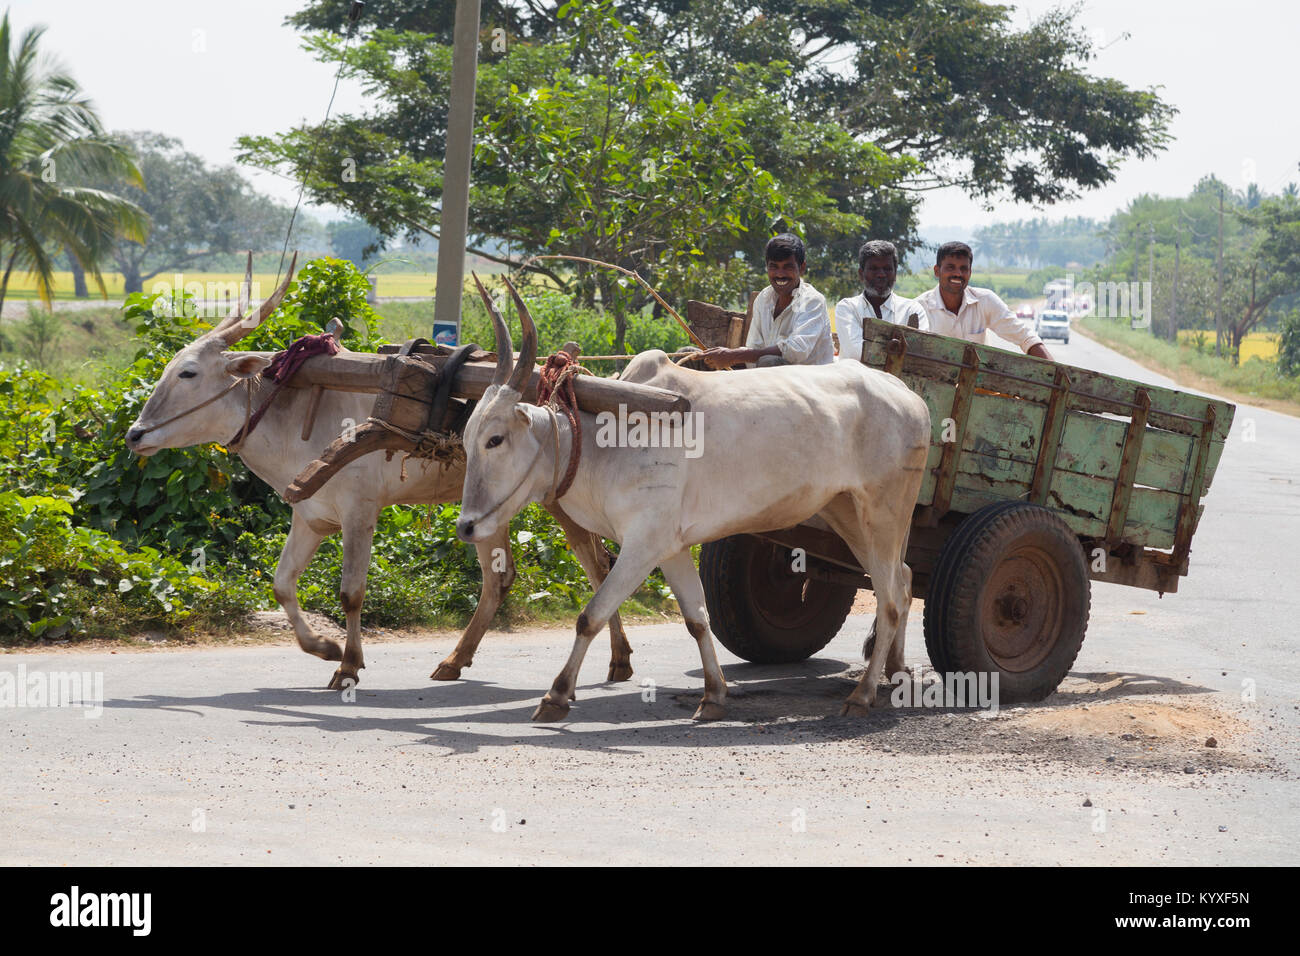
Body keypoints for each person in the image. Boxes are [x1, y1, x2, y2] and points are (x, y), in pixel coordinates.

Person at [702, 233, 835, 369]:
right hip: (766, 377)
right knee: (693, 356)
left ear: (801, 268)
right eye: (774, 267)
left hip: (808, 382)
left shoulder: (813, 301)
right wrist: (725, 357)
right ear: (767, 267)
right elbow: (753, 348)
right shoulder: (763, 299)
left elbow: (797, 350)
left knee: (769, 362)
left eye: (787, 267)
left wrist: (733, 356)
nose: (780, 274)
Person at [914, 241, 1054, 360]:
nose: (958, 273)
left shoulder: (985, 301)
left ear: (970, 273)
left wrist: (1056, 373)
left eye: (964, 269)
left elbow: (1025, 337)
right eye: (950, 267)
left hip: (976, 387)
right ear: (937, 271)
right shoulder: (919, 308)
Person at [836, 239, 926, 364]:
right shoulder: (847, 308)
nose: (881, 275)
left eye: (887, 269)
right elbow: (855, 353)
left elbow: (921, 353)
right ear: (861, 274)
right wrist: (897, 352)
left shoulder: (912, 310)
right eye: (874, 269)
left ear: (895, 274)